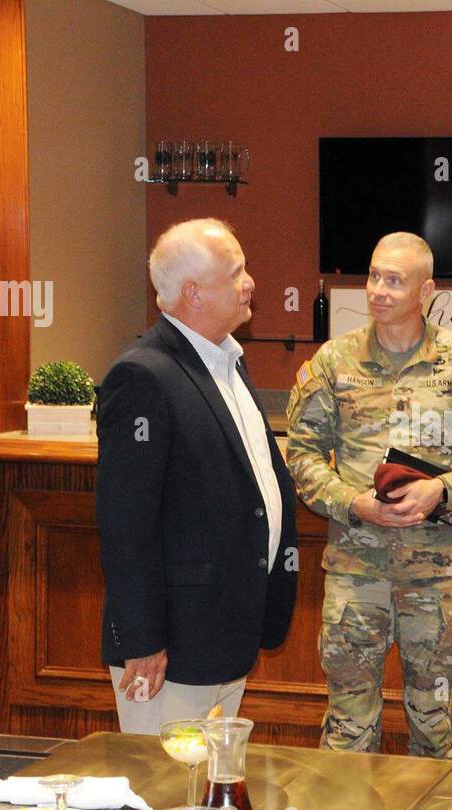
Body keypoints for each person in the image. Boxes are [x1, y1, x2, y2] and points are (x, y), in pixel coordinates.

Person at [286, 232, 452, 759]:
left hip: (432, 576)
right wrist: (352, 502)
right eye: (373, 277)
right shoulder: (333, 363)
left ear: (426, 290)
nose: (378, 291)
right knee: (348, 725)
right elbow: (301, 456)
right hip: (355, 569)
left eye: (395, 280)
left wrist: (442, 490)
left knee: (433, 721)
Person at [96, 218, 297, 734]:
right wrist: (142, 641)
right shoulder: (143, 376)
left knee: (207, 802)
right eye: (236, 273)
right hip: (170, 654)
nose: (250, 281)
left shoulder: (226, 362)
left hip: (226, 639)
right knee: (163, 800)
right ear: (194, 293)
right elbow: (125, 524)